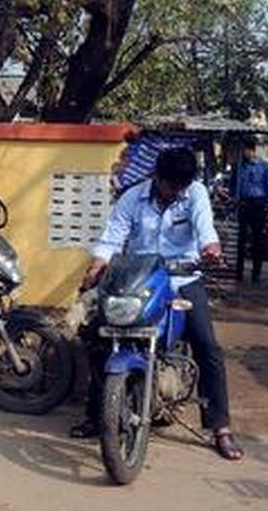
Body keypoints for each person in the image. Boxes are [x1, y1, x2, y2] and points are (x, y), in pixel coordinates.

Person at [74, 147, 244, 461]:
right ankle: (97, 414)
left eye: (183, 185)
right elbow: (113, 237)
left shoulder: (195, 194)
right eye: (172, 184)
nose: (177, 190)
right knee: (98, 335)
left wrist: (211, 246)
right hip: (140, 280)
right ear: (158, 177)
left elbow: (205, 227)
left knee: (207, 346)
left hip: (182, 280)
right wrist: (97, 266)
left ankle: (220, 427)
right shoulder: (132, 198)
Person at [232, 139, 268, 283]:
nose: (243, 154)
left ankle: (256, 273)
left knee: (258, 239)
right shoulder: (238, 167)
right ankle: (238, 273)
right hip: (243, 204)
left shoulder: (263, 167)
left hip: (258, 204)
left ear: (252, 150)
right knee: (240, 239)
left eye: (245, 150)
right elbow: (233, 185)